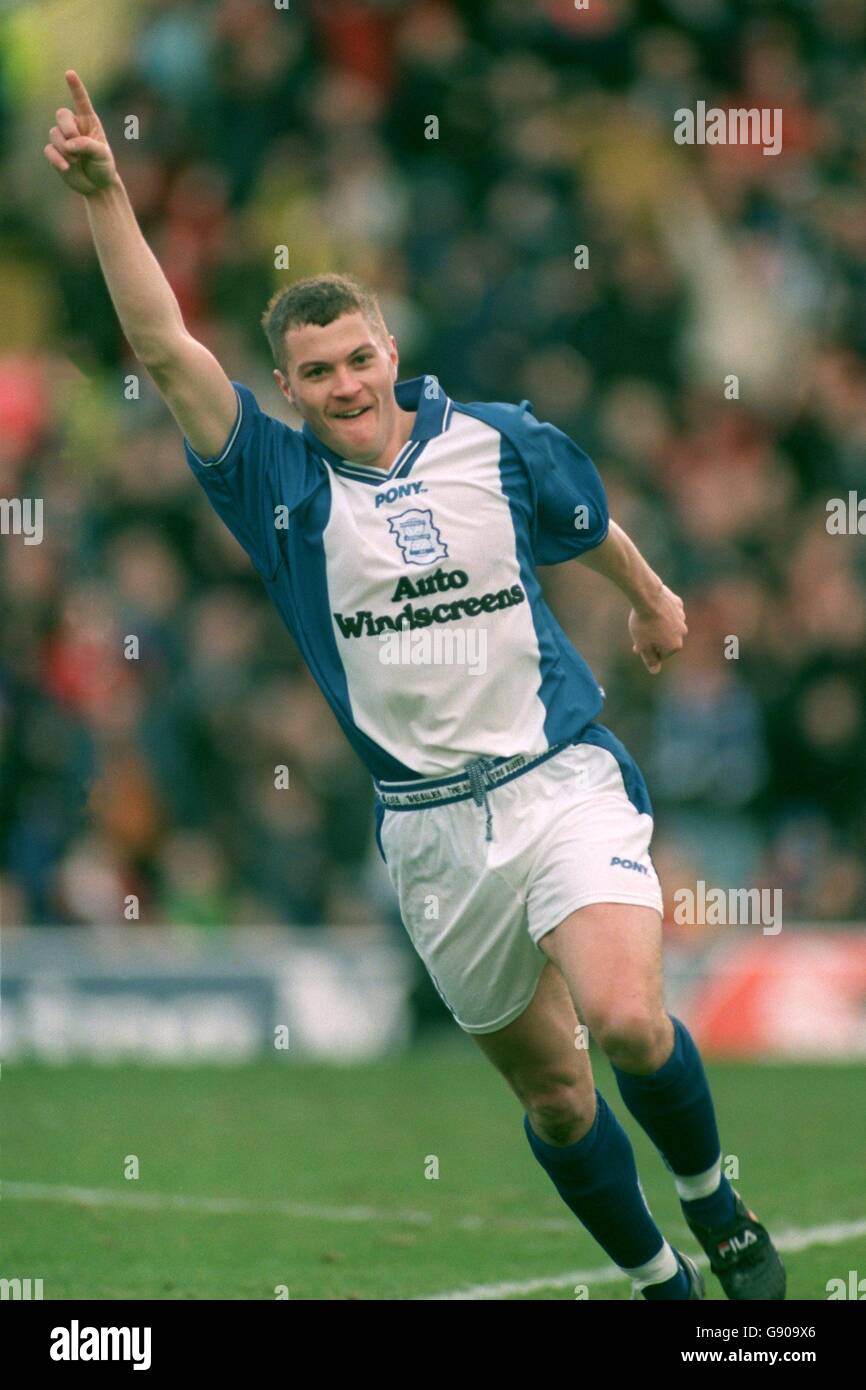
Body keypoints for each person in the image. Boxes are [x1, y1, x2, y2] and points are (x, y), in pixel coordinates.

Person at [45, 69, 786, 1300]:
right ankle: (661, 1284)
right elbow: (162, 347)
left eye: (356, 356)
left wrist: (650, 596)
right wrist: (105, 197)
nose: (343, 383)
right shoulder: (272, 488)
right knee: (555, 1097)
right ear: (286, 389)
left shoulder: (497, 440)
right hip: (431, 836)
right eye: (316, 372)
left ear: (389, 348)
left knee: (627, 1021)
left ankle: (717, 1206)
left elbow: (583, 521)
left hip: (559, 780)